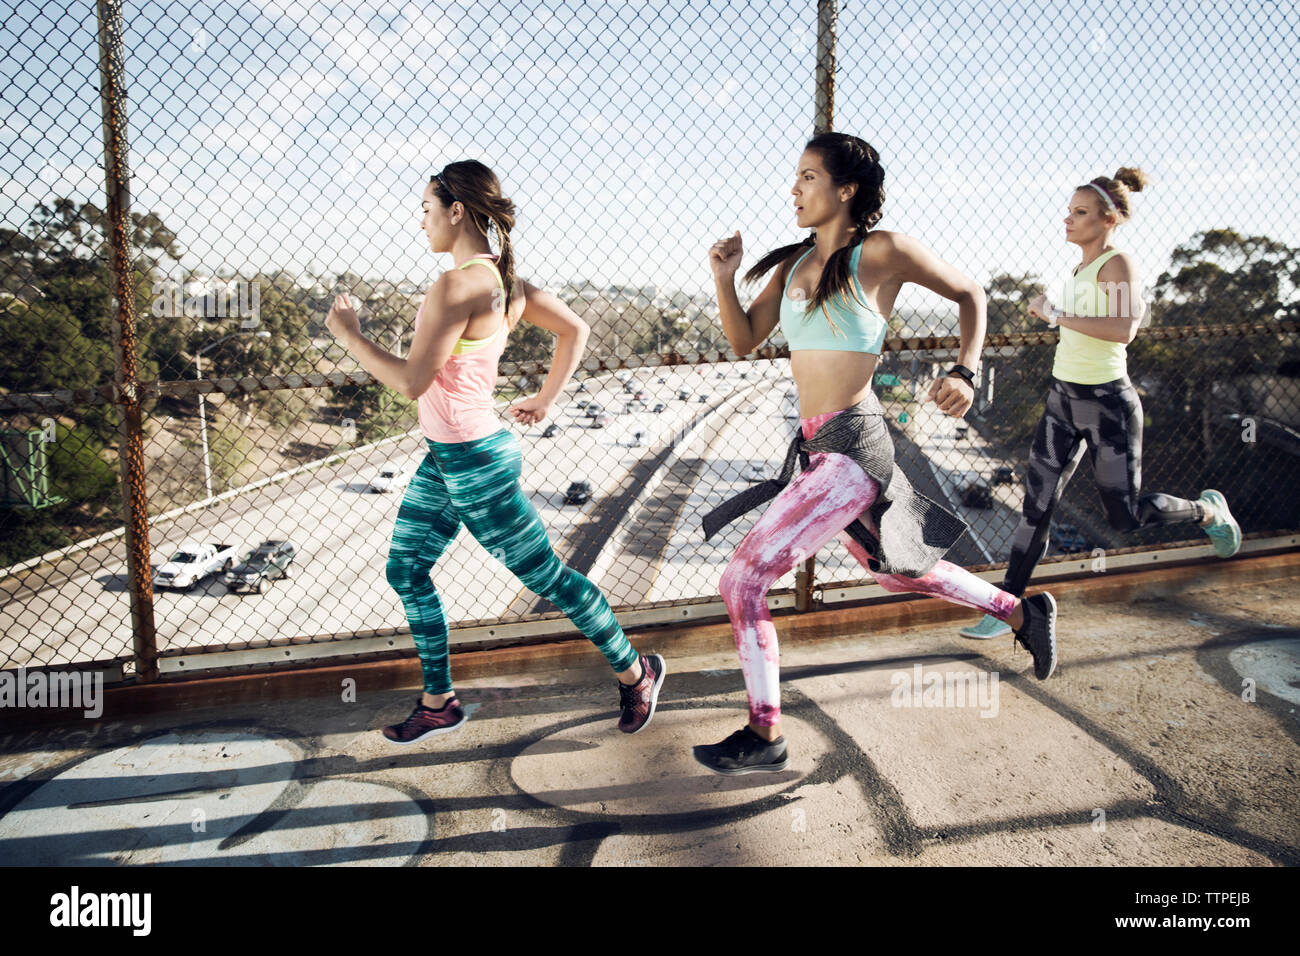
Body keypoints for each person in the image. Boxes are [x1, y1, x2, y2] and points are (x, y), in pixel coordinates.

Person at [694, 132, 1058, 776]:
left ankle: (765, 732)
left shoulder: (882, 252)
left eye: (808, 177)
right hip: (815, 449)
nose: (795, 189)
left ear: (845, 189)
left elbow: (971, 294)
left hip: (854, 446)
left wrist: (966, 372)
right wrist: (723, 279)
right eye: (796, 177)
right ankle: (1020, 610)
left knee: (742, 579)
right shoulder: (793, 265)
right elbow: (745, 337)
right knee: (896, 573)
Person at [324, 160, 665, 744]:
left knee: (550, 579)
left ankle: (637, 673)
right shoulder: (503, 281)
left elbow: (411, 382)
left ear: (457, 211)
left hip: (476, 462)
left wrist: (350, 335)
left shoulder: (459, 284)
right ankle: (439, 702)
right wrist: (547, 398)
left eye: (427, 210)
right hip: (449, 456)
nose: (421, 223)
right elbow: (575, 331)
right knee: (406, 569)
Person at [959, 167, 1241, 642]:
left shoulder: (1118, 262)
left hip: (1108, 404)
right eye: (1069, 211)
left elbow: (1122, 330)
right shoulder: (1080, 267)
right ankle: (1006, 608)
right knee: (1036, 507)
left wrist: (1055, 314)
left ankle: (1207, 511)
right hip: (1063, 400)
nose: (1067, 219)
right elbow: (1082, 326)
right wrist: (1056, 314)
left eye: (1080, 212)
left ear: (1108, 219)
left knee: (1123, 517)